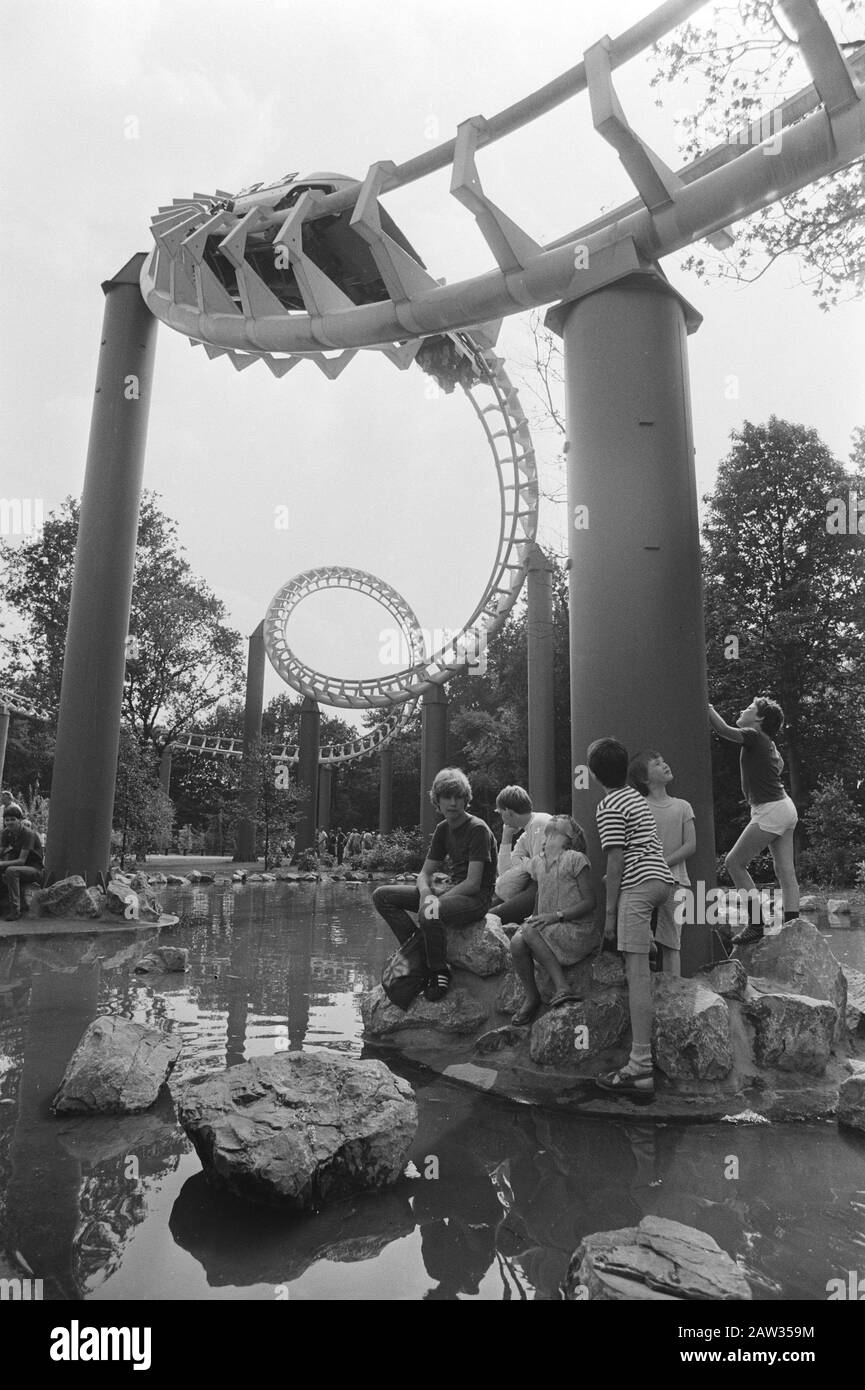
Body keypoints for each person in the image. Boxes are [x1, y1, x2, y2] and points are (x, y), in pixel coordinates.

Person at [588, 737, 675, 1097]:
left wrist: (609, 915)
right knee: (642, 955)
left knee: (636, 975)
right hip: (662, 881)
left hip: (639, 887)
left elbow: (616, 859)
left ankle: (639, 1069)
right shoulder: (635, 798)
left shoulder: (608, 804)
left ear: (594, 775)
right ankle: (647, 944)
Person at [371, 767, 497, 1001]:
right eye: (447, 797)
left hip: (476, 898)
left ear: (466, 799)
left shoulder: (477, 829)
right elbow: (424, 873)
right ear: (437, 801)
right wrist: (426, 893)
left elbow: (473, 883)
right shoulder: (443, 829)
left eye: (458, 797)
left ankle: (439, 969)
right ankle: (418, 949)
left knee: (429, 913)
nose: (453, 803)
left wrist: (432, 902)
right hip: (452, 891)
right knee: (382, 896)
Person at [708, 696, 800, 946]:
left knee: (734, 862)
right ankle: (793, 925)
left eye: (749, 708)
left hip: (770, 809)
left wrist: (708, 708)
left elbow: (723, 730)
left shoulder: (753, 735)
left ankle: (756, 924)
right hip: (784, 808)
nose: (742, 709)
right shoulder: (767, 742)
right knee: (785, 871)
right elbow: (778, 764)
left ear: (759, 719)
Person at [509, 815, 598, 1024]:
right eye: (548, 833)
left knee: (530, 931)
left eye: (557, 831)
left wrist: (556, 916)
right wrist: (534, 917)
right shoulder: (539, 863)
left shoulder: (575, 859)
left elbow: (590, 902)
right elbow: (541, 895)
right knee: (516, 942)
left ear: (570, 839)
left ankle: (562, 987)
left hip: (577, 930)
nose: (550, 835)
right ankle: (532, 997)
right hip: (551, 930)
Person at [628, 750, 696, 977]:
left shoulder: (683, 806)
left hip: (677, 881)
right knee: (640, 942)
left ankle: (673, 990)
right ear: (645, 779)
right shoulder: (639, 807)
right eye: (657, 764)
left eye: (663, 761)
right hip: (643, 882)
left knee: (671, 943)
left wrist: (661, 863)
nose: (664, 764)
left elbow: (690, 845)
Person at [490, 785, 551, 926]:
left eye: (500, 813)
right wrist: (506, 837)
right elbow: (504, 871)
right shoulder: (527, 831)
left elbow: (539, 872)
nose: (501, 818)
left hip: (543, 889)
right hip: (534, 887)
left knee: (490, 916)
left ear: (509, 812)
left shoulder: (540, 823)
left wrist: (523, 864)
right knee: (486, 911)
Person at [0, 806, 45, 920]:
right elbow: (1, 851)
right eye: (7, 820)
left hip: (34, 869)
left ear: (19, 820)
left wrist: (1, 864)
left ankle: (15, 911)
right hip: (19, 867)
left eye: (12, 819)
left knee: (11, 871)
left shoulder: (28, 834)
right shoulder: (6, 833)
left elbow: (21, 861)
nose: (9, 822)